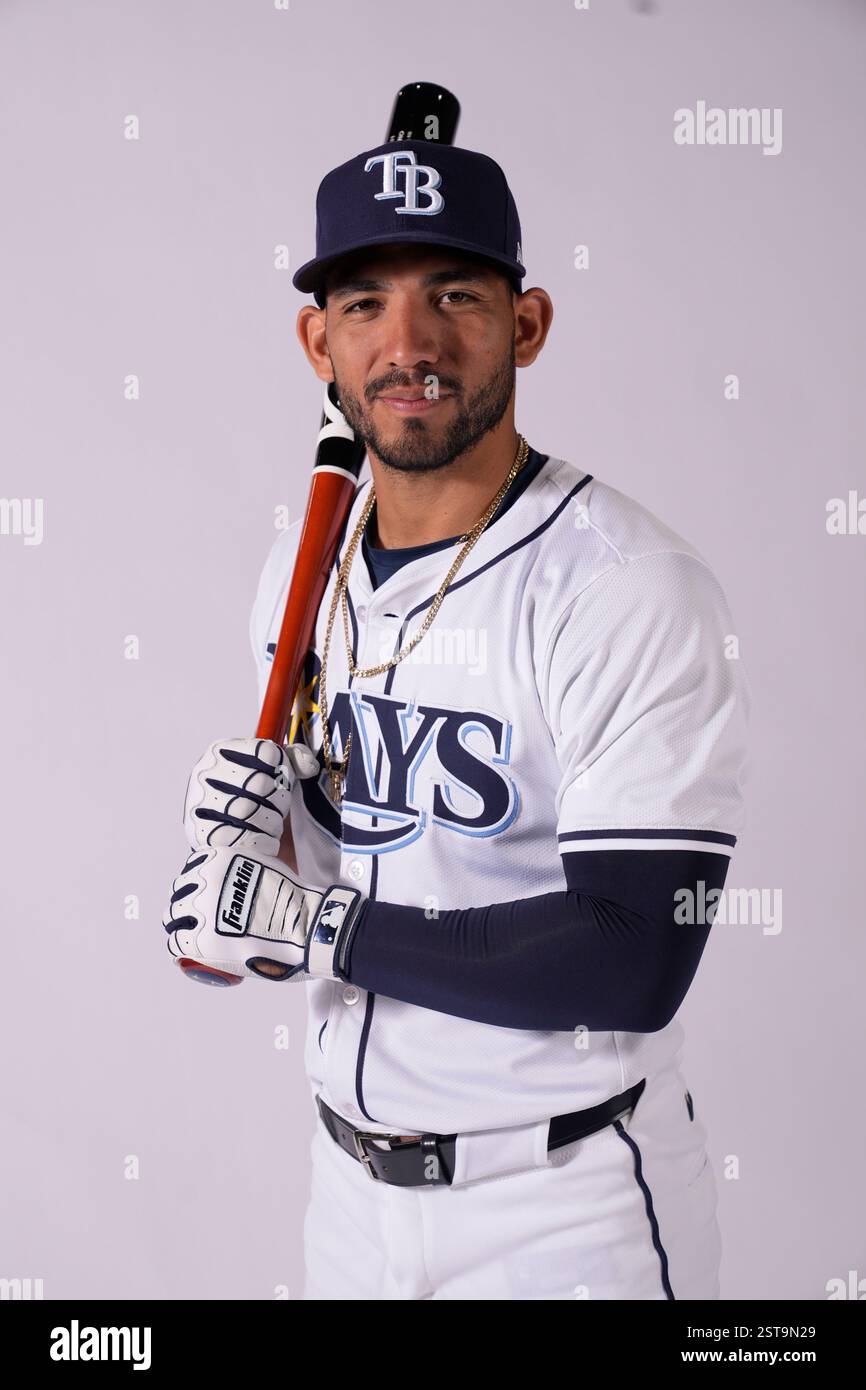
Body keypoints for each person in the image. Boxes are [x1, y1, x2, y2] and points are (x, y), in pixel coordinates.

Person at [163, 138, 750, 1300]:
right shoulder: (306, 568)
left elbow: (632, 954)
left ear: (525, 325)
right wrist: (256, 874)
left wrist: (317, 922)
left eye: (455, 298)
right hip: (343, 1198)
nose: (410, 347)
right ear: (316, 342)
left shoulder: (623, 584)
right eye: (366, 302)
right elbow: (310, 913)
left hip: (562, 1211)